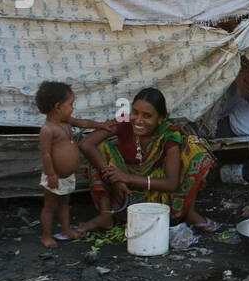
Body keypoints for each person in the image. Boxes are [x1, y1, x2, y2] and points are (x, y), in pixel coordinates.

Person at [79, 87, 217, 232]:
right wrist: (117, 179)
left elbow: (171, 184)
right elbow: (85, 143)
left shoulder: (169, 135)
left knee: (196, 152)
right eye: (135, 112)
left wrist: (127, 178)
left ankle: (188, 213)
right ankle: (105, 216)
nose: (138, 120)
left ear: (160, 119)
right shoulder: (124, 120)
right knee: (99, 148)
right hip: (123, 193)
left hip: (158, 200)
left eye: (147, 116)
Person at [35, 82, 115, 247]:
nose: (72, 108)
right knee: (49, 206)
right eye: (70, 104)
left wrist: (100, 125)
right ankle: (46, 236)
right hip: (54, 176)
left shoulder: (66, 121)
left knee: (64, 204)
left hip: (67, 176)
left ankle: (65, 229)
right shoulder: (48, 129)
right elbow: (46, 154)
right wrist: (51, 174)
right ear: (57, 107)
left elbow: (84, 123)